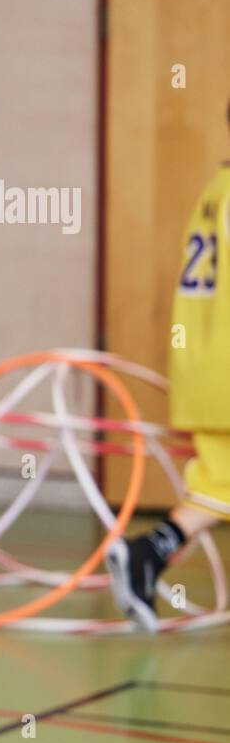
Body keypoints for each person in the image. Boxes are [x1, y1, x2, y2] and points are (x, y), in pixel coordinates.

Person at [108, 97, 230, 633]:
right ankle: (146, 553)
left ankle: (148, 553)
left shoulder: (215, 189)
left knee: (218, 484)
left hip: (206, 367)